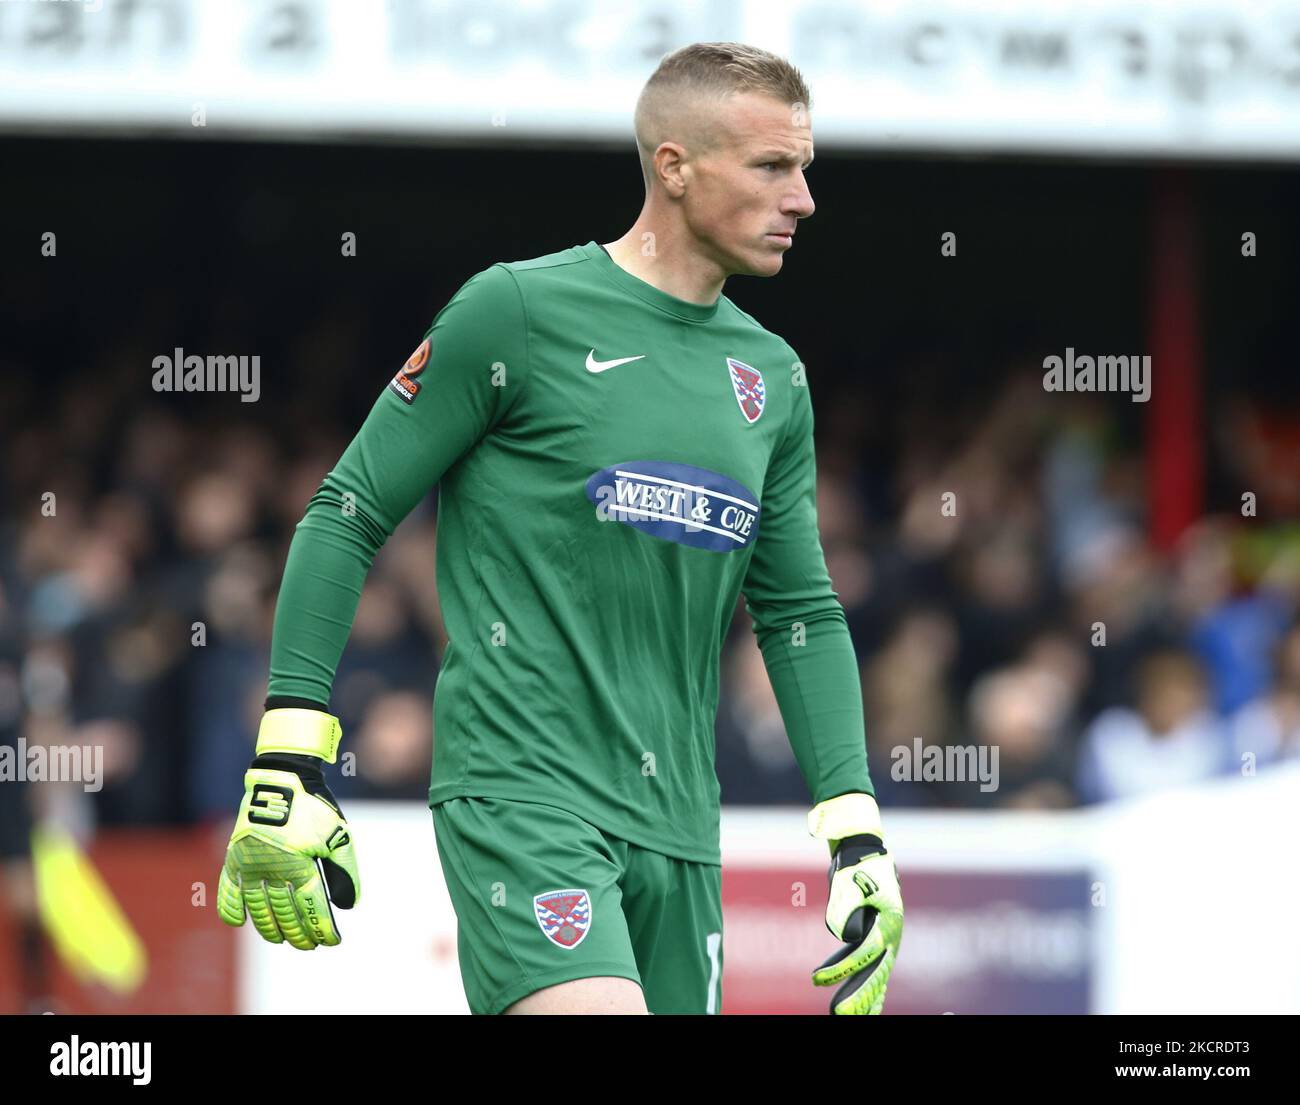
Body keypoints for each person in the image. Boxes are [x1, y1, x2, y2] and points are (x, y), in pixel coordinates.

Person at [216, 41, 902, 1016]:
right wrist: (290, 751)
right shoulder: (516, 314)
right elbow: (347, 510)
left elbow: (798, 612)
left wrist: (856, 830)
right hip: (522, 793)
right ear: (674, 166)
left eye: (804, 169)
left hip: (678, 828)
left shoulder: (772, 378)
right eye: (771, 167)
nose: (803, 199)